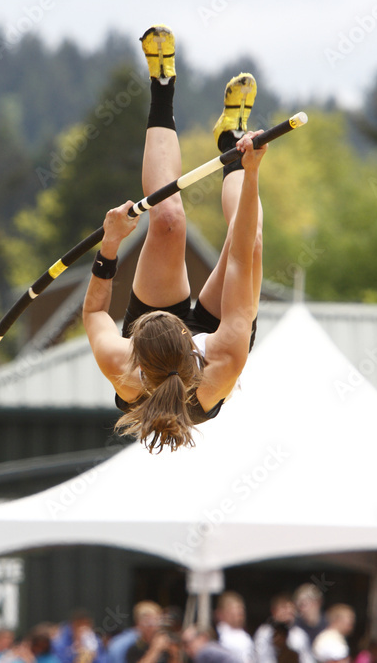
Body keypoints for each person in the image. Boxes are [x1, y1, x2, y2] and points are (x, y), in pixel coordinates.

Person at [83, 24, 268, 452]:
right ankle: (232, 143)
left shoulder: (122, 366)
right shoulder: (224, 359)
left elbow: (94, 314)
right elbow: (239, 256)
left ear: (136, 343)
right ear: (190, 343)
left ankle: (162, 87)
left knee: (166, 220)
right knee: (252, 240)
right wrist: (251, 171)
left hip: (161, 356)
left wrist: (110, 244)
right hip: (213, 350)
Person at [254, 594, 296, 663]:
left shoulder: (299, 633)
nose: (288, 611)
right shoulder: (265, 633)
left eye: (291, 607)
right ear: (274, 611)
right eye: (284, 607)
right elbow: (261, 658)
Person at [290, 585, 326, 663]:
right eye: (299, 605)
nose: (301, 609)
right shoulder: (295, 628)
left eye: (304, 604)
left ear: (318, 602)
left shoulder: (329, 625)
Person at [213, 593, 253, 663]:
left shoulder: (244, 635)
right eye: (233, 612)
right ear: (220, 614)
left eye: (240, 612)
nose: (239, 616)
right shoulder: (218, 636)